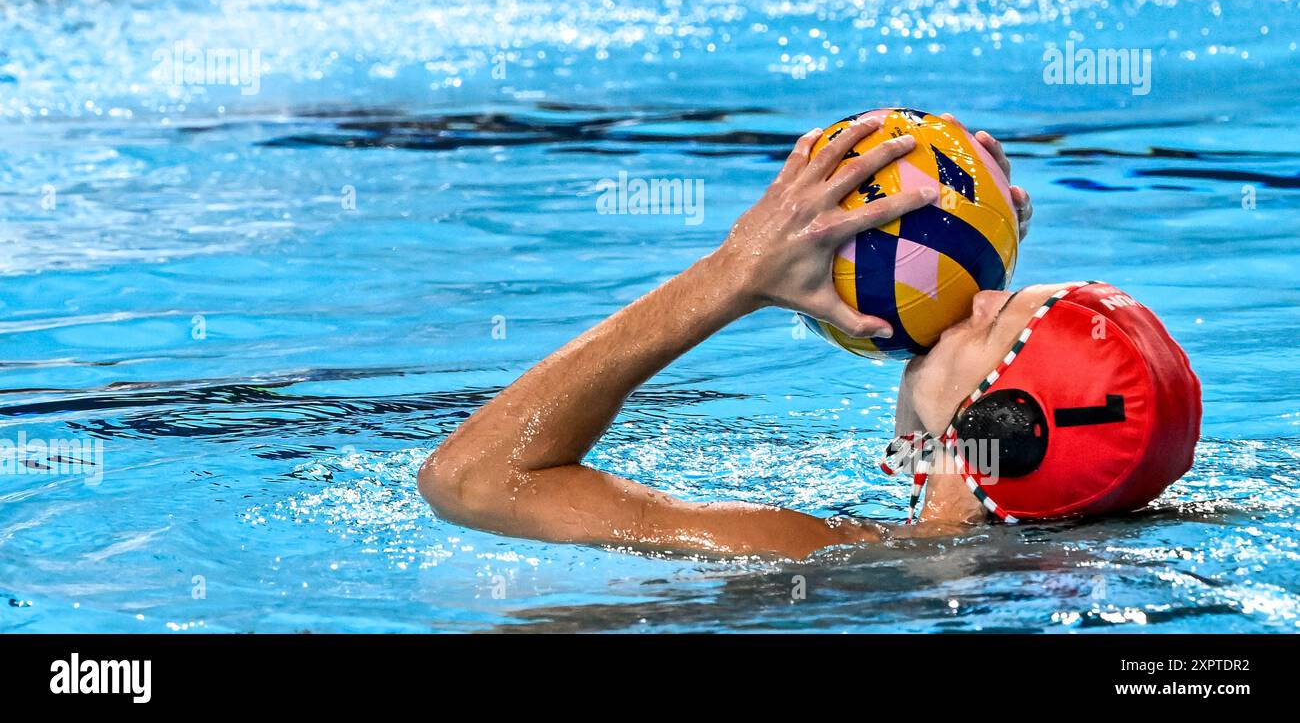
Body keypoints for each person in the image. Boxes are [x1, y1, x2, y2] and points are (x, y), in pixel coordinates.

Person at [418, 116, 1200, 558]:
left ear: (1003, 426)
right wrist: (971, 237)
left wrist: (733, 275)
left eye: (991, 316)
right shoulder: (1015, 546)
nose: (980, 295)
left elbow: (471, 481)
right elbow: (942, 469)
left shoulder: (821, 558)